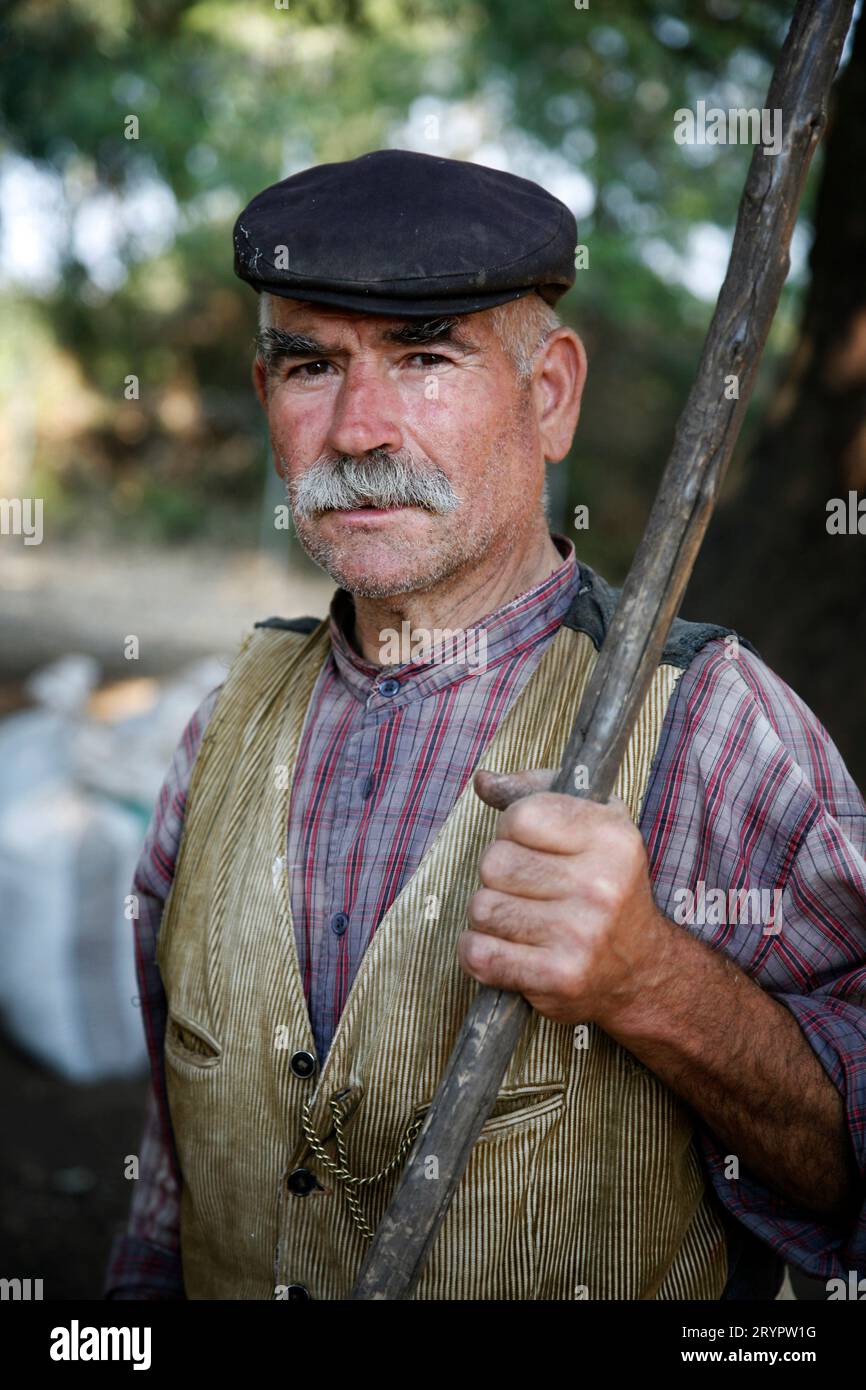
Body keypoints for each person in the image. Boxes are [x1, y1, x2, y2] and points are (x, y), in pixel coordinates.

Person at [105, 149, 866, 1301]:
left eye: (423, 359)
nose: (358, 429)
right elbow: (172, 1179)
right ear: (268, 401)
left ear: (548, 394)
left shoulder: (708, 724)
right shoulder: (222, 731)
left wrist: (651, 980)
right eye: (311, 364)